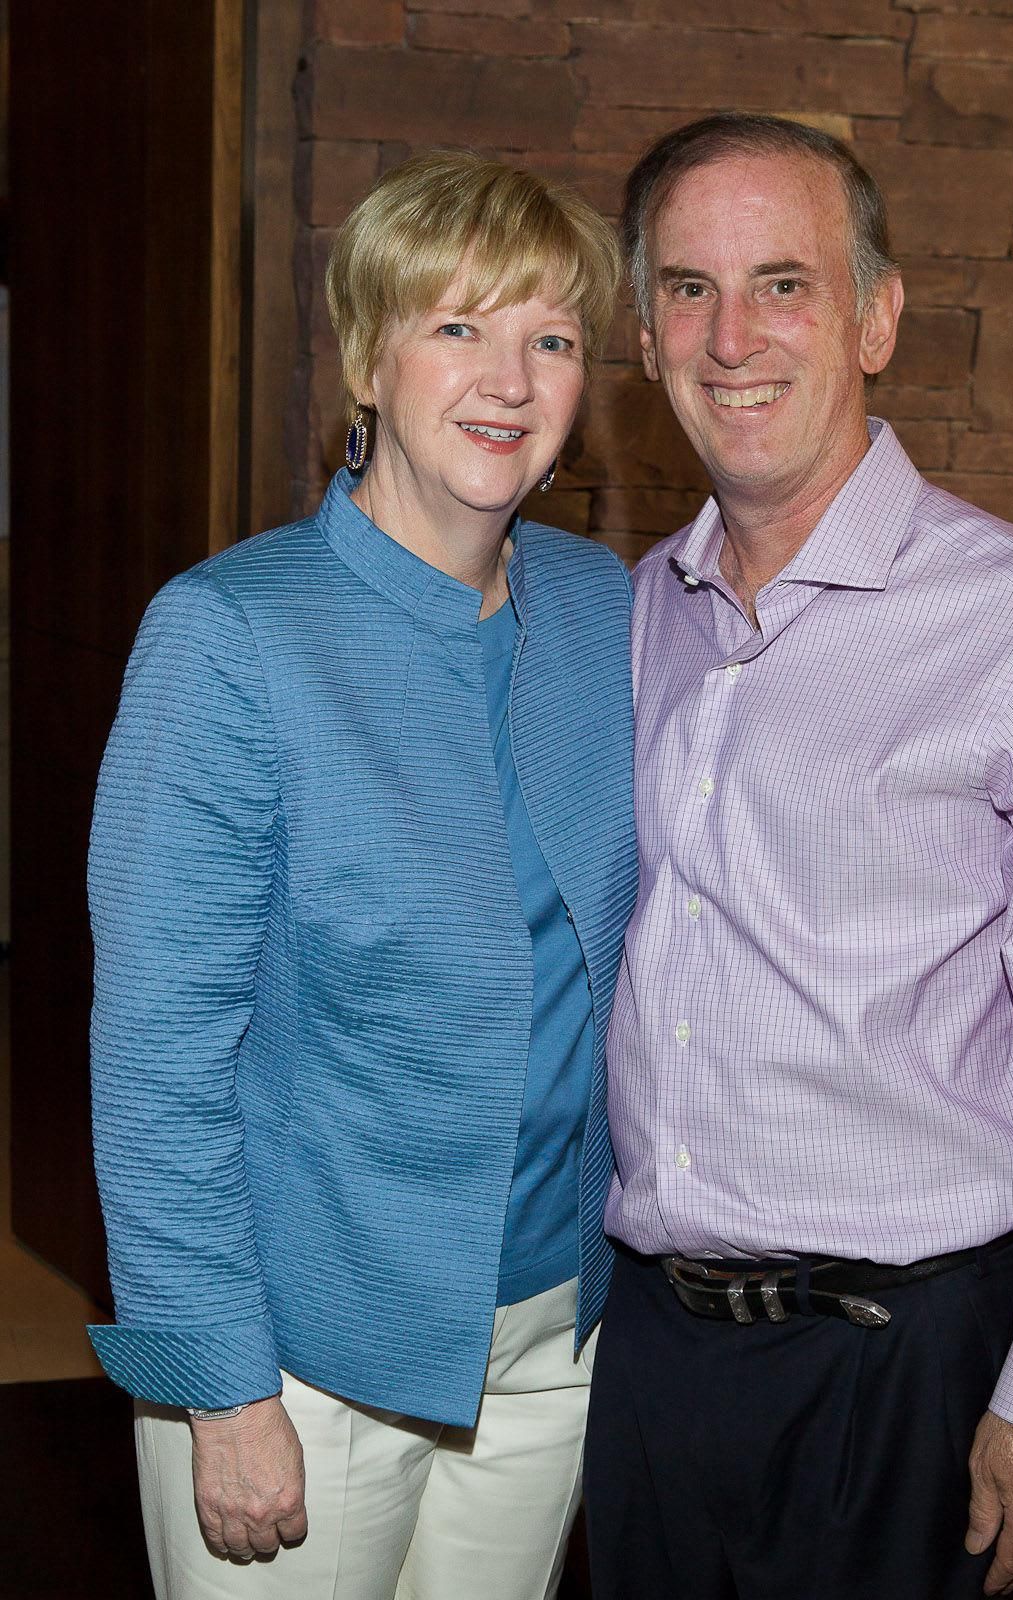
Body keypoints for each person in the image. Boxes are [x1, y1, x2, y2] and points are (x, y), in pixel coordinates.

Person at [583, 112, 1013, 1600]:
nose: (733, 337)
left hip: (908, 1370)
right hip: (651, 1353)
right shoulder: (632, 616)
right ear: (645, 333)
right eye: (686, 288)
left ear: (875, 317)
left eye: (783, 283)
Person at [87, 150, 636, 1600]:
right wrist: (219, 1385)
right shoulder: (230, 639)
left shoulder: (607, 610)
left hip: (548, 1350)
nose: (509, 377)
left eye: (553, 338)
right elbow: (156, 1055)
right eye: (458, 326)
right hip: (303, 1362)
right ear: (367, 362)